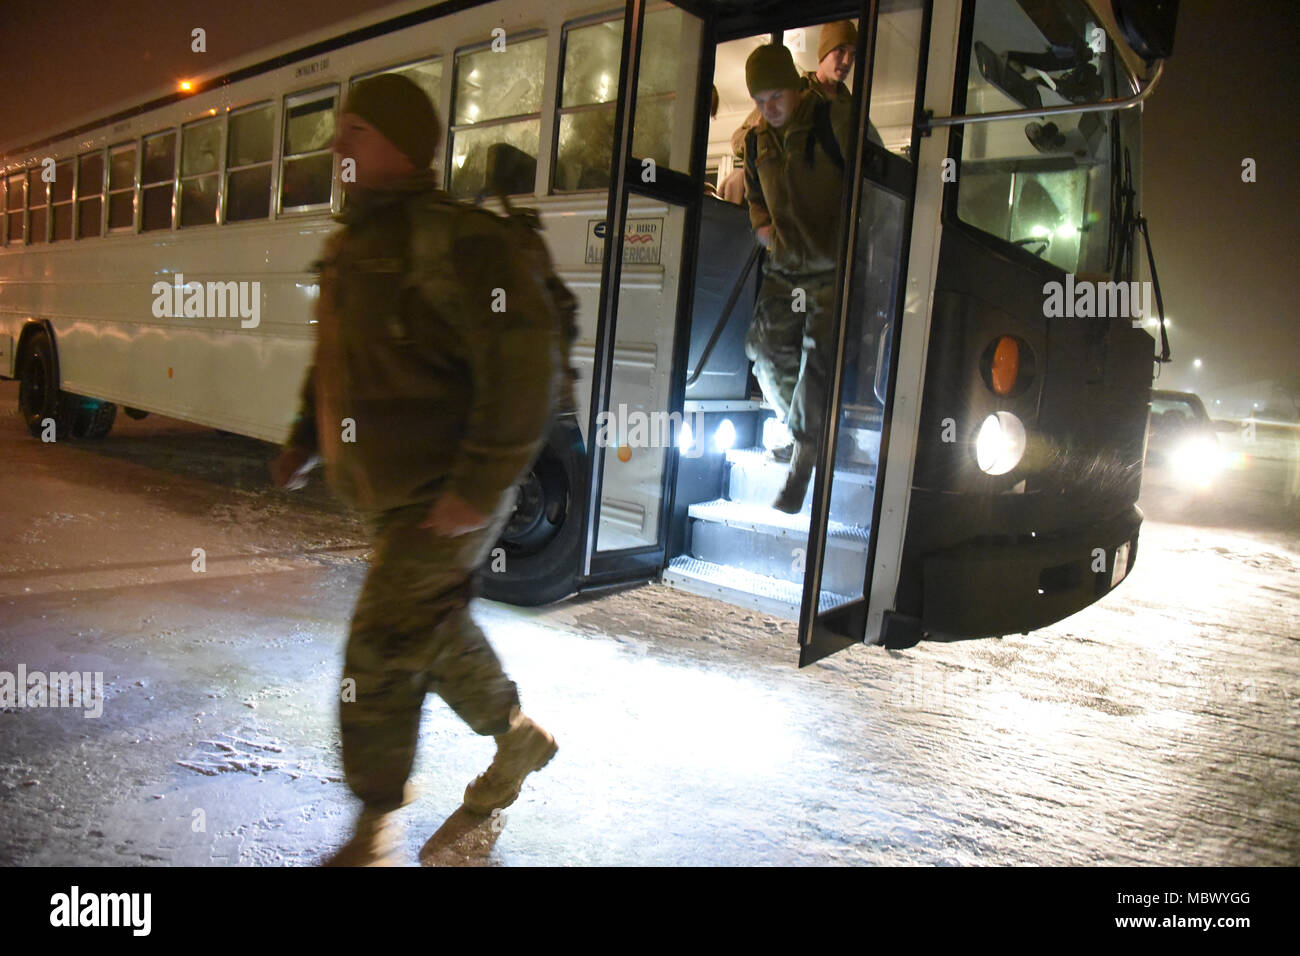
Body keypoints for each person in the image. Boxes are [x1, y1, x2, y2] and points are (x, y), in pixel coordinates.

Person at [270, 73, 559, 866]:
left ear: (401, 145)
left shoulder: (461, 241)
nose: (339, 146)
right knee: (426, 628)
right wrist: (305, 437)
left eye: (355, 131)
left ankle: (371, 825)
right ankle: (516, 737)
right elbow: (335, 362)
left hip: (448, 494)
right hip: (400, 496)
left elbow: (523, 369)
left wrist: (478, 485)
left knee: (379, 647)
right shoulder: (356, 242)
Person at [742, 42, 880, 513]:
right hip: (785, 272)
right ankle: (811, 436)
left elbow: (876, 177)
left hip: (831, 269)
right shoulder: (756, 139)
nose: (769, 109)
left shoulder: (830, 119)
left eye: (776, 97)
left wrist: (862, 244)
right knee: (762, 354)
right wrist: (762, 226)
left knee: (816, 359)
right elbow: (755, 195)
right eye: (760, 102)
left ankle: (803, 460)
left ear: (794, 88)